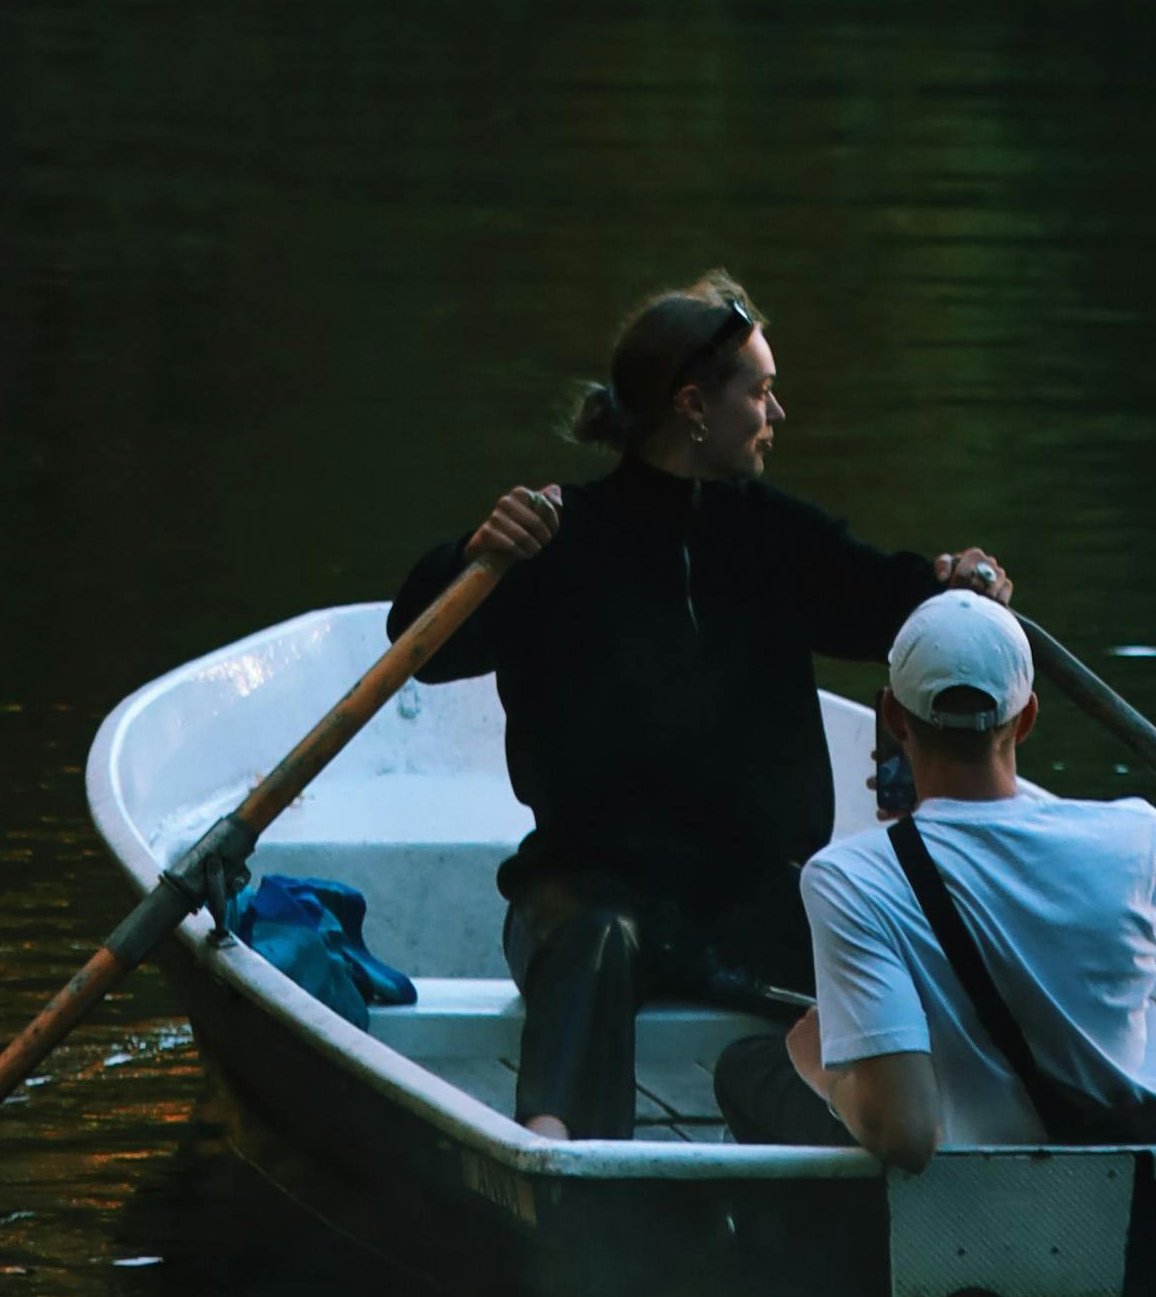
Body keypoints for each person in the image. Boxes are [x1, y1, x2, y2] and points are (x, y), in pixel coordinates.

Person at [392, 274, 1012, 1141]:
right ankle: (562, 1156)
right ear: (692, 406)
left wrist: (965, 590)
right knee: (593, 936)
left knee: (881, 932)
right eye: (759, 390)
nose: (778, 411)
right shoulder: (556, 539)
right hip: (587, 892)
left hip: (748, 897)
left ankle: (891, 1142)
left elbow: (897, 607)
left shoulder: (779, 536)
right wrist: (470, 552)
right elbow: (419, 645)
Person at [718, 587, 1156, 1161]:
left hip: (976, 1205)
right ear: (1026, 718)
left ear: (894, 717)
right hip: (1140, 1168)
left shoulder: (852, 878)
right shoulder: (1140, 834)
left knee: (746, 1068)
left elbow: (905, 1134)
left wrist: (820, 1071)